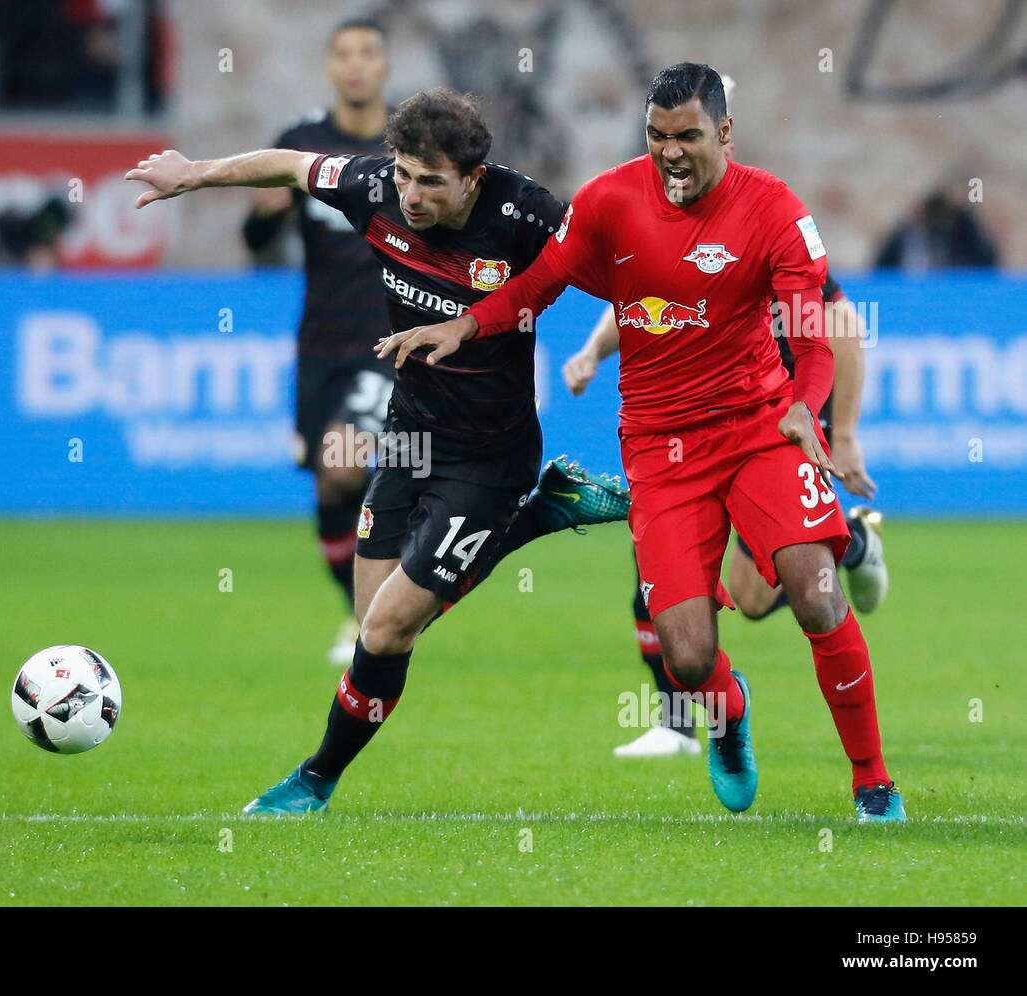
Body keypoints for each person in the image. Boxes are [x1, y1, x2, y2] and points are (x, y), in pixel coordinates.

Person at [380, 64, 905, 823]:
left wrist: (806, 409)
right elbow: (539, 284)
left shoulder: (776, 212)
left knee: (814, 595)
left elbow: (817, 337)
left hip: (759, 429)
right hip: (661, 449)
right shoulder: (609, 200)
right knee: (687, 658)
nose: (671, 153)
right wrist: (465, 325)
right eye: (656, 136)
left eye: (688, 136)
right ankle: (727, 716)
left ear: (724, 132)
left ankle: (873, 783)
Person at [127, 87, 630, 816]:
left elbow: (620, 274)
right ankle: (543, 515)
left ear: (472, 178)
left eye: (431, 181)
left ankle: (314, 778)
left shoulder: (524, 212)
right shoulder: (372, 187)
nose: (412, 195)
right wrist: (195, 172)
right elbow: (290, 165)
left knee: (392, 627)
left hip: (491, 456)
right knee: (379, 631)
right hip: (412, 436)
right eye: (403, 175)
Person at [563, 121, 888, 758]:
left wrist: (842, 431)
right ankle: (687, 719)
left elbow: (839, 324)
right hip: (689, 430)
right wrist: (591, 353)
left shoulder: (766, 220)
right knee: (673, 592)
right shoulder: (662, 228)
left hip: (782, 412)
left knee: (768, 593)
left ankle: (849, 547)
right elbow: (643, 299)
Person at [241, 18, 396, 665]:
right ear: (331, 67)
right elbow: (255, 246)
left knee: (345, 462)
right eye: (344, 54)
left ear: (386, 66)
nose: (356, 65)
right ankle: (362, 610)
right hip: (320, 344)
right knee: (331, 489)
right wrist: (262, 216)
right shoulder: (300, 144)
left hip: (392, 339)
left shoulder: (408, 145)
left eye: (368, 53)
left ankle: (380, 618)